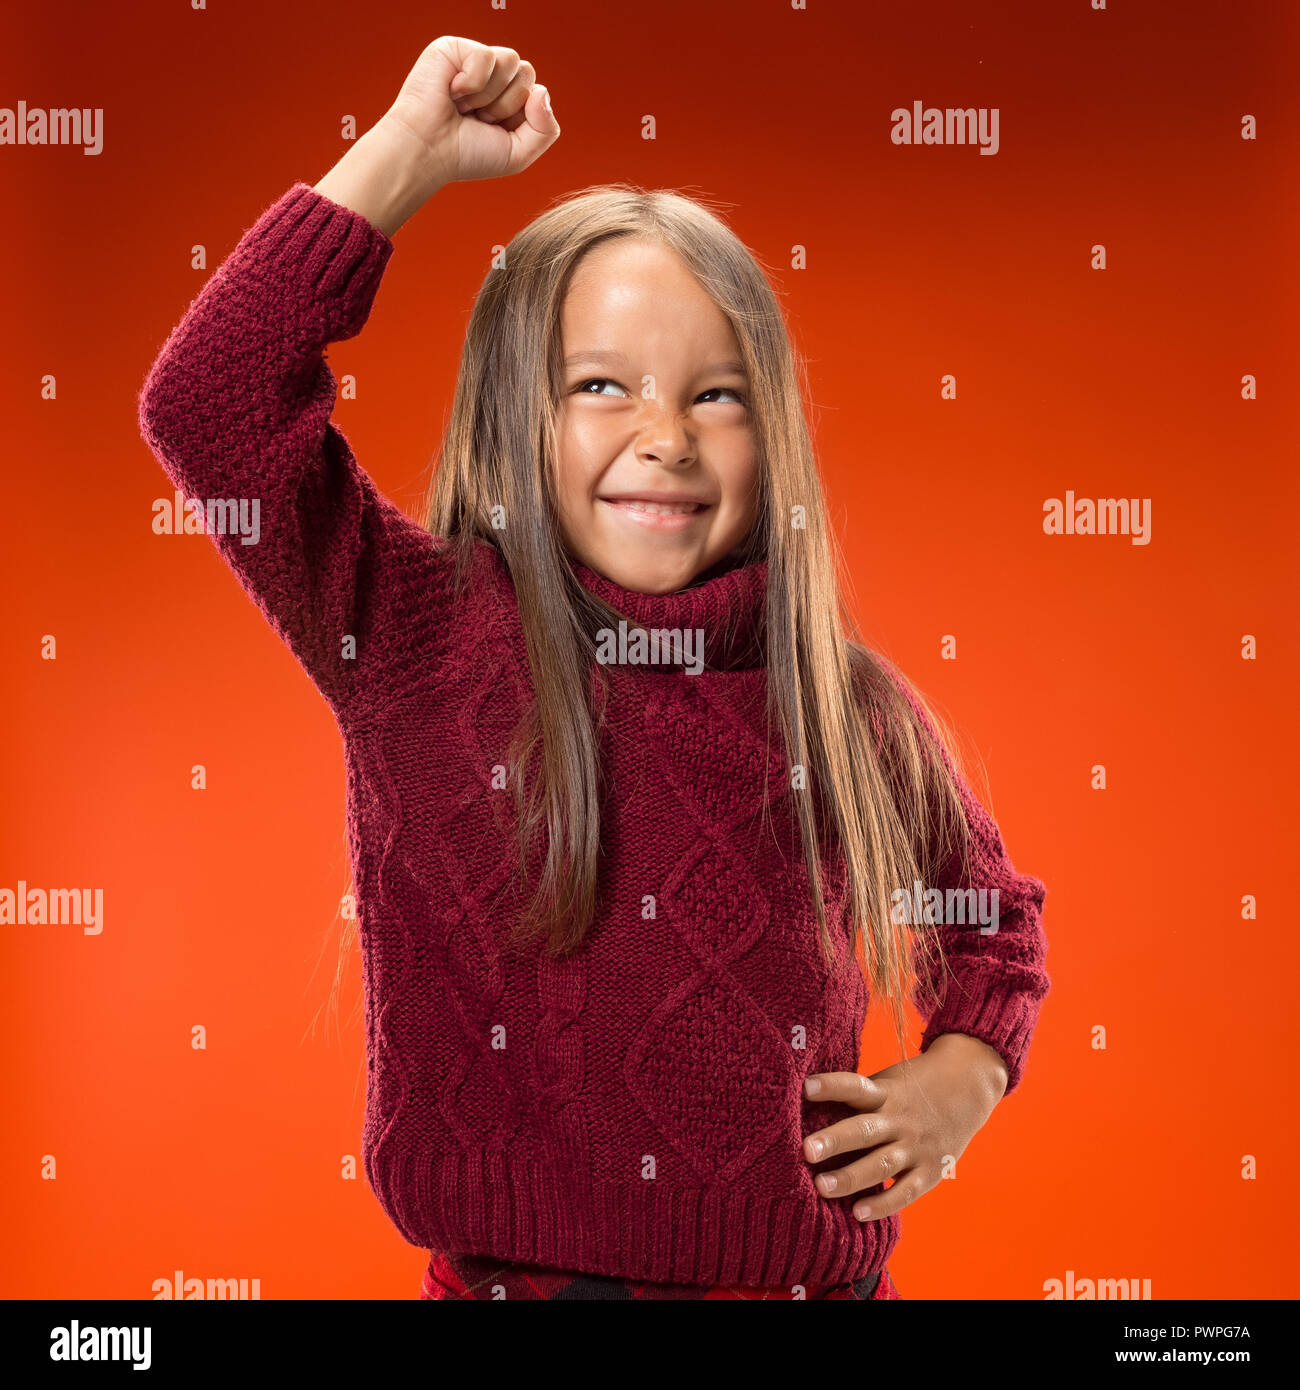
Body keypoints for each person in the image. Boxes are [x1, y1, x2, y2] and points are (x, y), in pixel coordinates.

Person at [136, 34, 1050, 1301]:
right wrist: (405, 152)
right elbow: (209, 401)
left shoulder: (842, 710)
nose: (664, 438)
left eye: (717, 395)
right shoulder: (413, 634)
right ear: (519, 413)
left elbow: (991, 926)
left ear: (773, 427)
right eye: (602, 385)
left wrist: (965, 1073)